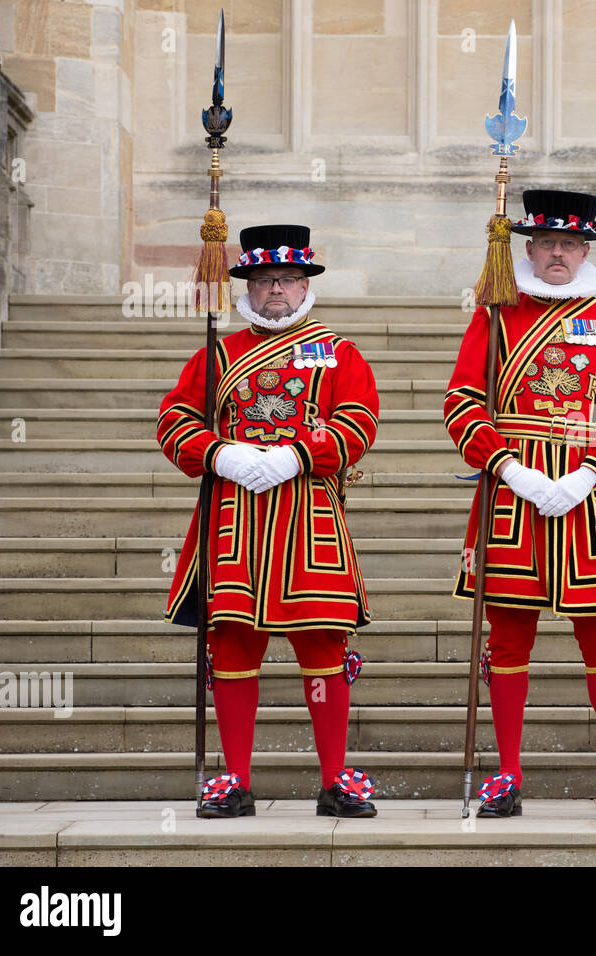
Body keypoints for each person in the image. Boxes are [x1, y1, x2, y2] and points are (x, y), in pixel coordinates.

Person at [445, 190, 596, 818]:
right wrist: (506, 465)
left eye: (570, 244)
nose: (559, 254)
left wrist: (592, 471)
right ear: (529, 250)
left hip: (586, 501)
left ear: (585, 249)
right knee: (508, 640)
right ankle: (506, 776)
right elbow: (461, 402)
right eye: (547, 244)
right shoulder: (493, 316)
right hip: (511, 496)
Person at [158, 224, 380, 818]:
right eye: (261, 280)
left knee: (322, 644)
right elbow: (174, 421)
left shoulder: (339, 351)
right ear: (247, 289)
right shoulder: (218, 353)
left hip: (310, 518)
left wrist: (298, 455)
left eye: (285, 279)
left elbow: (359, 422)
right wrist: (218, 452)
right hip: (234, 517)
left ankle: (335, 778)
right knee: (232, 645)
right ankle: (234, 779)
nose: (274, 290)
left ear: (305, 284)